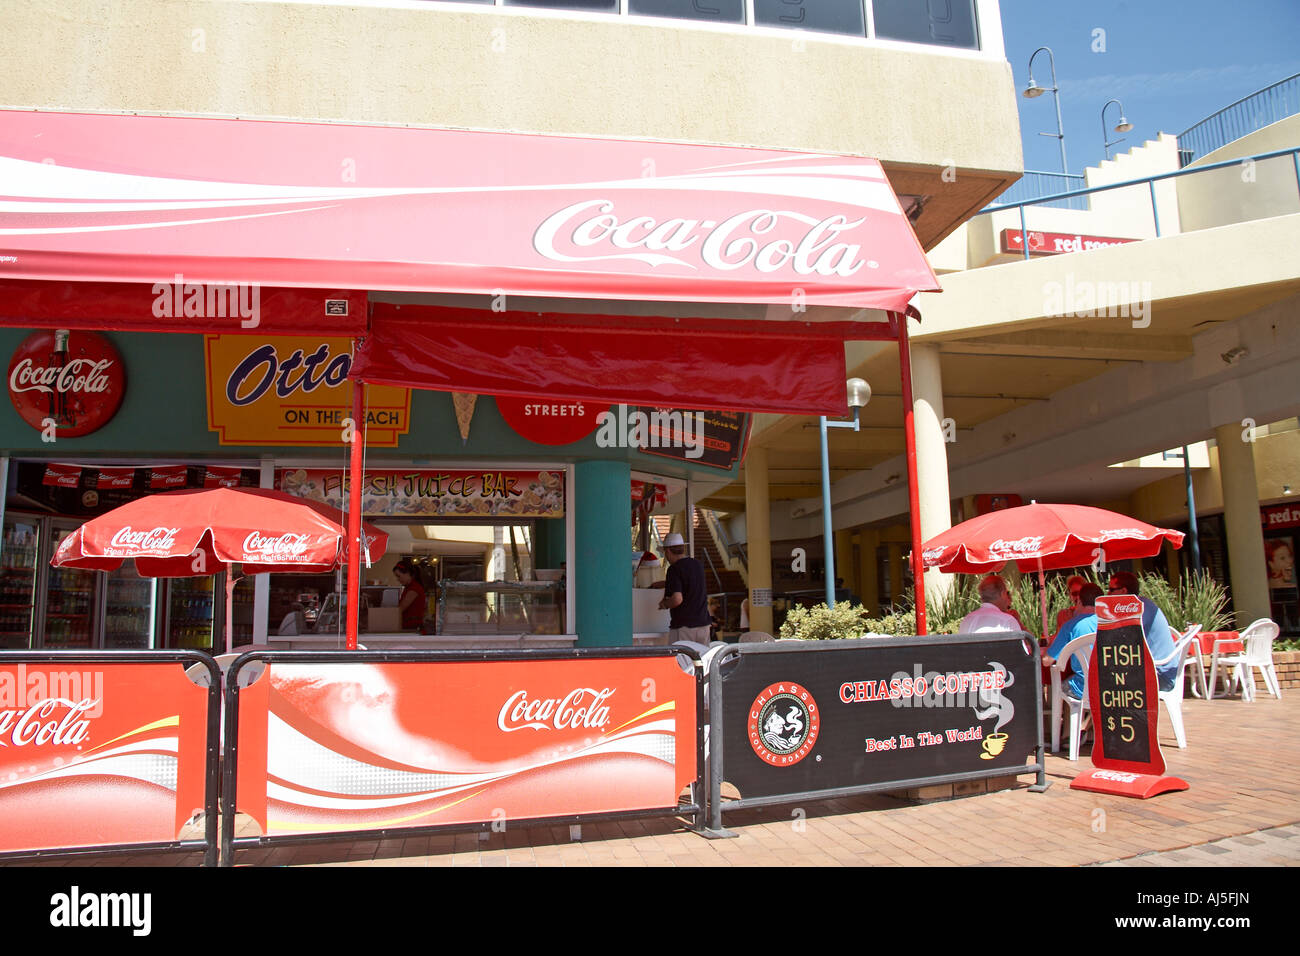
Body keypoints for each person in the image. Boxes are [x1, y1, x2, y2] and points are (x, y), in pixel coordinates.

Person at [1107, 571, 1177, 691]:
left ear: (1124, 591)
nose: (1107, 594)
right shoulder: (1142, 604)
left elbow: (1121, 640)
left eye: (1111, 589)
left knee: (1104, 680)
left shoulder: (1139, 609)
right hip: (1158, 670)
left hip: (1160, 675)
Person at [1043, 583, 1102, 699]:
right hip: (1109, 687)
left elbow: (1046, 661)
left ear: (1079, 601)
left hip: (1082, 688)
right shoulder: (1111, 623)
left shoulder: (1071, 626)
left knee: (1059, 687)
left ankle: (1064, 717)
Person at [658, 532, 711, 643]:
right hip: (703, 625)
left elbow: (677, 599)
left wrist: (664, 604)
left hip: (684, 627)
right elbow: (689, 583)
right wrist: (665, 584)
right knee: (702, 659)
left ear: (667, 551)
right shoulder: (697, 564)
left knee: (681, 660)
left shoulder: (674, 569)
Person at [393, 558, 427, 631]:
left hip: (412, 627)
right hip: (410, 626)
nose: (398, 579)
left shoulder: (414, 588)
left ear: (408, 573)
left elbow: (401, 608)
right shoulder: (409, 587)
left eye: (399, 576)